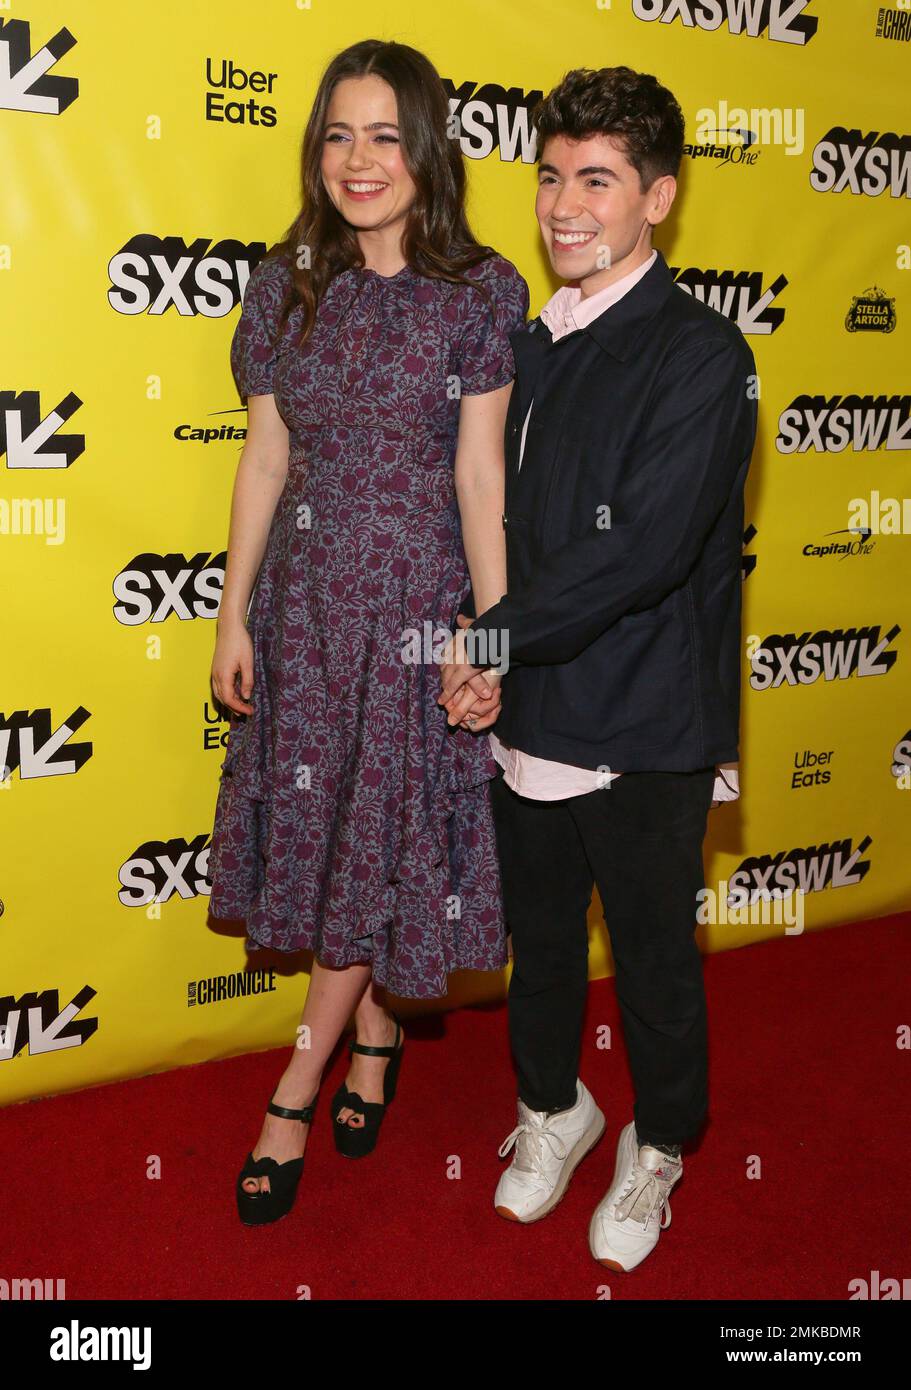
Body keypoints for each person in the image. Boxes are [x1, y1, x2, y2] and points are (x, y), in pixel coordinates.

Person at [439, 65, 758, 1271]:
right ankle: (551, 1111)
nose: (564, 205)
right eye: (548, 176)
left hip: (643, 720)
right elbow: (496, 521)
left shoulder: (700, 352)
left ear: (657, 197)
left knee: (654, 958)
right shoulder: (530, 339)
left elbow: (644, 549)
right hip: (530, 703)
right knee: (536, 939)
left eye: (597, 180)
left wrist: (487, 641)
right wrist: (477, 655)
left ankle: (659, 1146)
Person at [207, 38, 528, 1226]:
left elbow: (480, 473)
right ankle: (377, 1039)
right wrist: (233, 610)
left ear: (428, 147)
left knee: (377, 826)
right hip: (305, 607)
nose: (358, 159)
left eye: (385, 134)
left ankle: (294, 1089)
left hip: (414, 619)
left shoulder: (481, 290)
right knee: (351, 835)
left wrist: (488, 640)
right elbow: (265, 456)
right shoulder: (285, 280)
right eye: (338, 134)